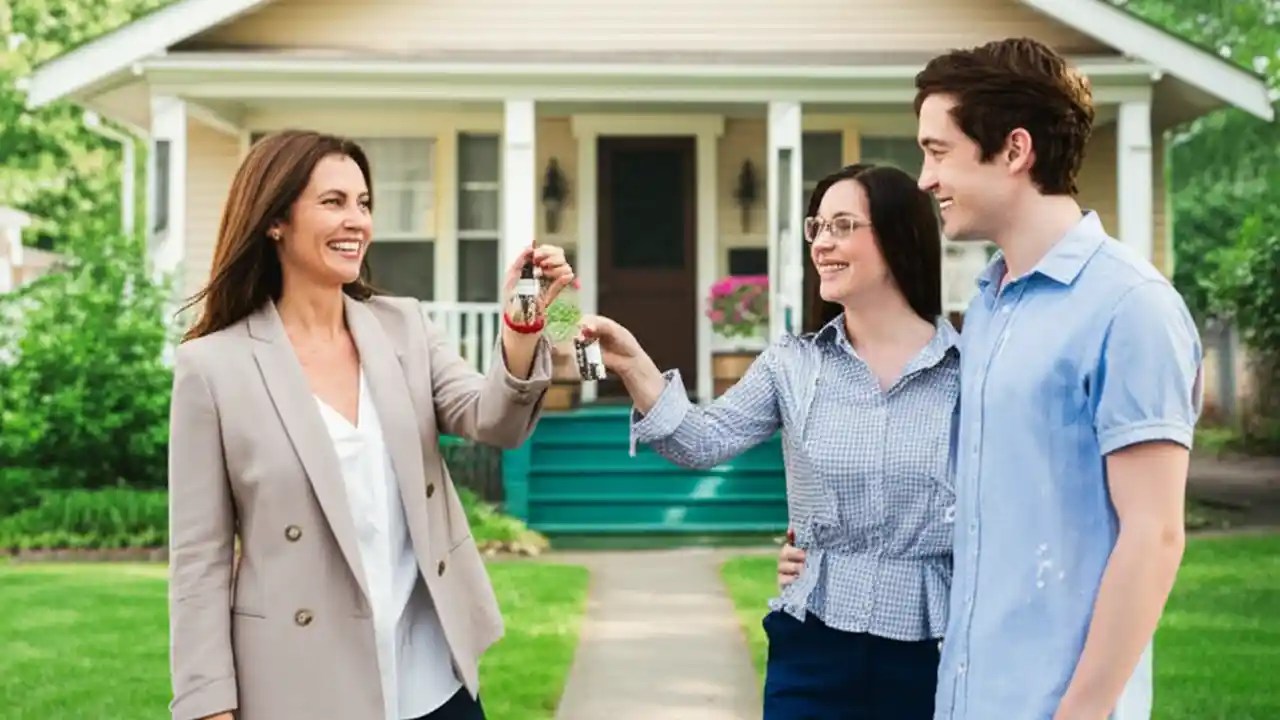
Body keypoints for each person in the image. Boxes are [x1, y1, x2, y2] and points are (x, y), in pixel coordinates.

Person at [780, 37, 1203, 719]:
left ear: (1014, 150)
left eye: (938, 151)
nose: (923, 179)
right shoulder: (988, 306)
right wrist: (837, 554)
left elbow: (1154, 534)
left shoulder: (1130, 308)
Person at [166, 129, 574, 720]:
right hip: (302, 684)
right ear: (275, 220)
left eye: (364, 203)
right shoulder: (213, 368)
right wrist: (207, 704)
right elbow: (199, 558)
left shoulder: (401, 327)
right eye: (333, 202)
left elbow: (494, 420)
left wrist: (522, 321)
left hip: (433, 678)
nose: (356, 220)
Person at [581, 163, 960, 719]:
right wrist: (632, 363)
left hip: (930, 651)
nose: (822, 243)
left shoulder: (967, 371)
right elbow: (699, 441)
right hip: (812, 647)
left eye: (842, 226)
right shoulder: (792, 364)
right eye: (817, 227)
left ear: (899, 238)